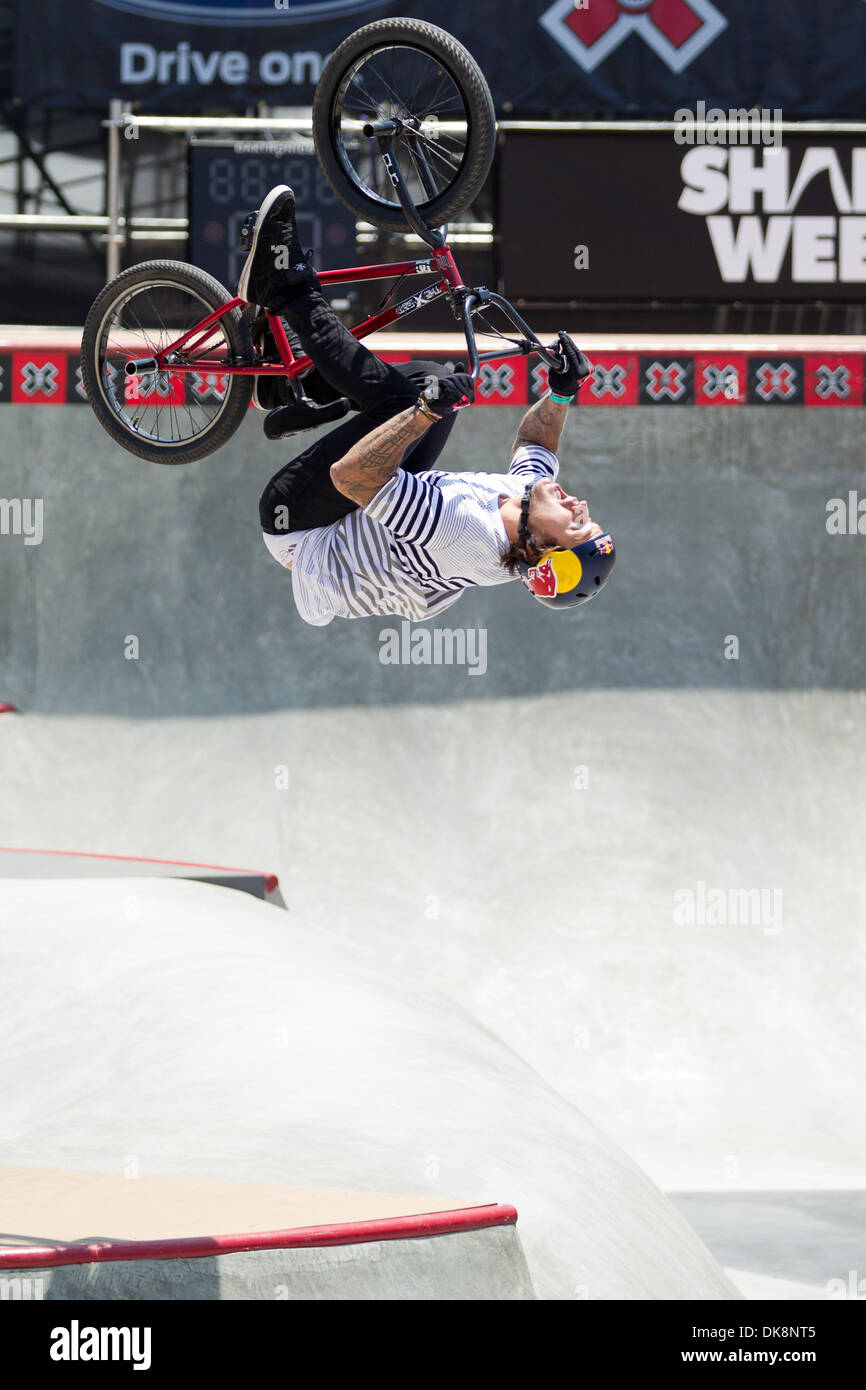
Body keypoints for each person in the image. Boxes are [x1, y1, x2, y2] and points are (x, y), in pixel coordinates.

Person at [238, 185, 615, 627]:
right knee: (433, 383)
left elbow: (352, 477)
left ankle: (283, 284)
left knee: (411, 403)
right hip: (356, 508)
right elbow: (535, 443)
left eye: (577, 526)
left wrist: (424, 414)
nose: (581, 506)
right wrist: (562, 392)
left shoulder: (465, 535)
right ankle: (298, 381)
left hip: (304, 529)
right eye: (588, 519)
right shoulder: (528, 508)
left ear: (536, 548)